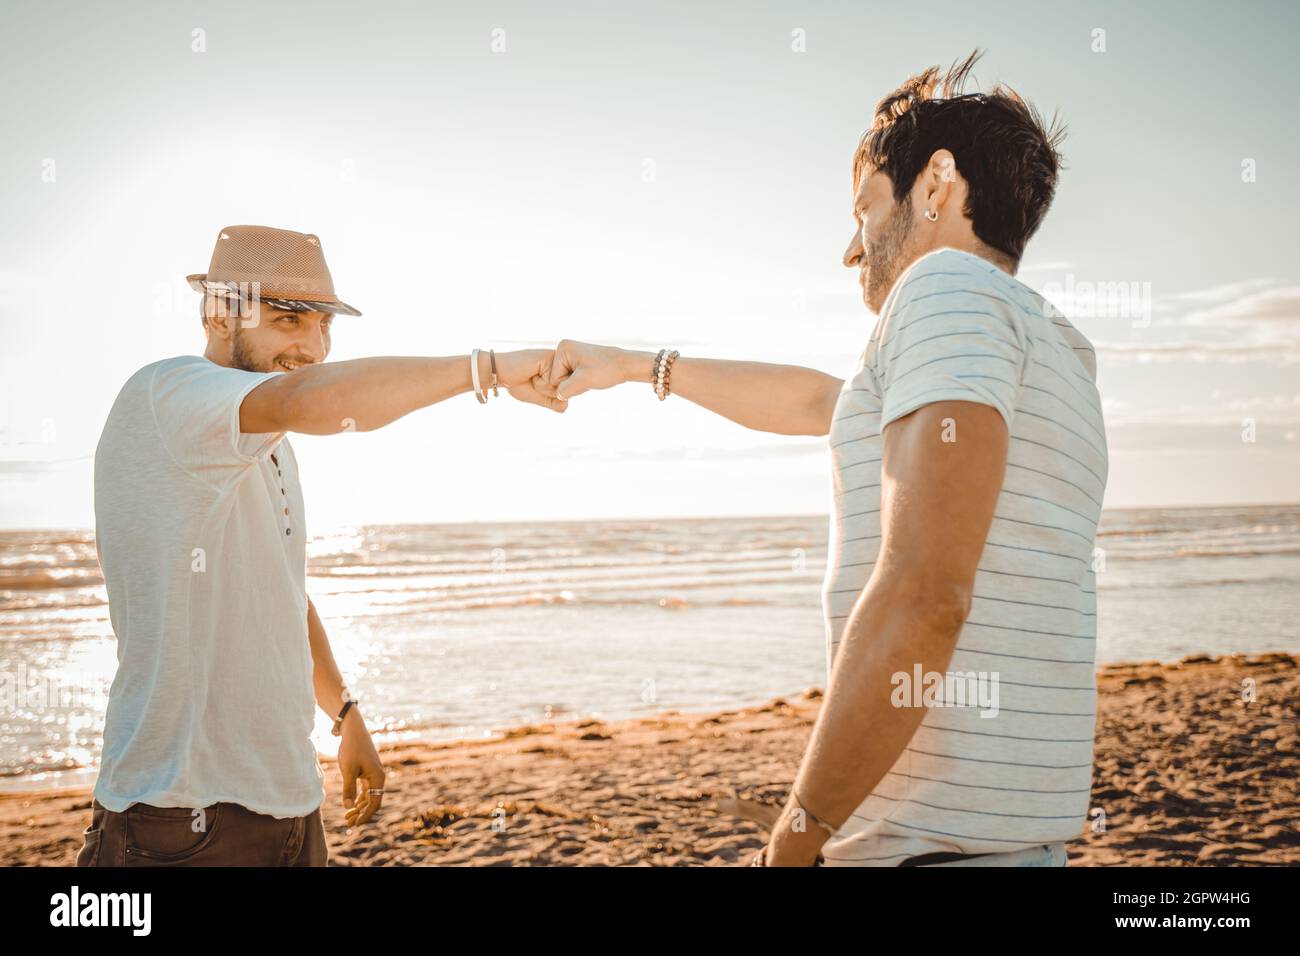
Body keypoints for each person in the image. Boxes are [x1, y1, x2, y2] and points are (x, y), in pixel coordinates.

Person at [538, 52, 1105, 867]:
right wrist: (637, 366)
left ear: (937, 184)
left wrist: (800, 829)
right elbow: (829, 406)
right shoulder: (1052, 346)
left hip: (921, 849)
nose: (852, 247)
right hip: (1009, 837)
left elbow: (925, 592)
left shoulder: (942, 289)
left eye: (865, 208)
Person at [76, 224, 563, 866]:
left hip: (290, 809)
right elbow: (310, 398)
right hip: (179, 817)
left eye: (324, 326)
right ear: (219, 314)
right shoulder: (167, 393)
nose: (313, 346)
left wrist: (344, 711)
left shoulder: (269, 442)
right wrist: (488, 370)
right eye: (287, 321)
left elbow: (281, 595)